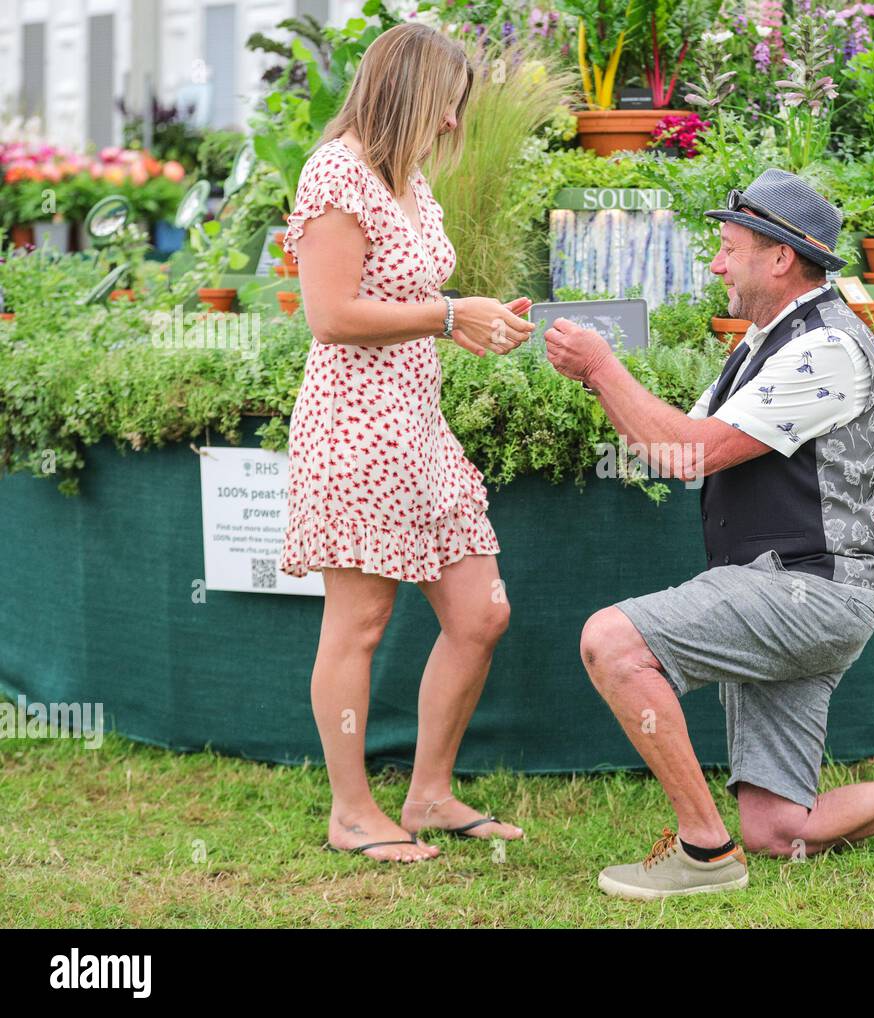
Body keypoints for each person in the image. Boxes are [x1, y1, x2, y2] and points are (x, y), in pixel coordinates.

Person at [544, 168, 874, 899]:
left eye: (727, 247)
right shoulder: (761, 344)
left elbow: (697, 449)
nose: (716, 264)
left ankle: (703, 853)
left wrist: (602, 364)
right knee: (780, 830)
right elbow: (674, 452)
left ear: (780, 258)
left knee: (611, 642)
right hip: (782, 586)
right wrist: (596, 376)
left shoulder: (827, 350)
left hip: (809, 593)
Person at [278, 23, 535, 863]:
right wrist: (450, 314)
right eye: (449, 105)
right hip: (354, 427)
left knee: (480, 612)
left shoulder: (405, 179)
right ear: (413, 94)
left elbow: (402, 300)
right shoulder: (336, 173)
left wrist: (466, 323)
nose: (456, 123)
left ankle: (426, 796)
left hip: (417, 428)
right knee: (359, 623)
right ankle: (352, 812)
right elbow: (331, 315)